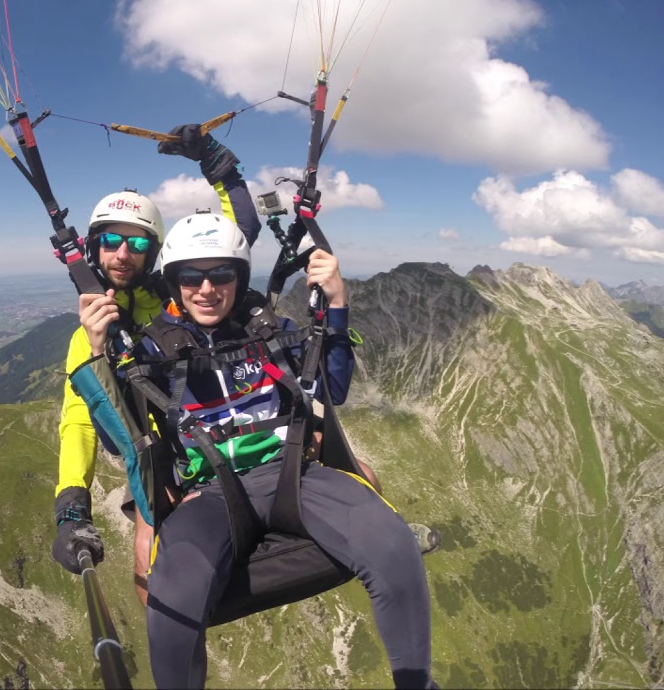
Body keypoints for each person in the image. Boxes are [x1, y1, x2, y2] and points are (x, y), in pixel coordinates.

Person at [87, 212, 437, 689]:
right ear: (173, 281)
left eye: (221, 274)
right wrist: (98, 355)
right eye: (191, 276)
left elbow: (332, 388)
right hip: (208, 493)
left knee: (395, 548)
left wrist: (337, 305)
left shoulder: (268, 331)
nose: (206, 288)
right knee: (171, 607)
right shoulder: (149, 349)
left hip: (292, 472)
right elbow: (118, 441)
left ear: (239, 277)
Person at [50, 126, 262, 581]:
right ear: (93, 247)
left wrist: (214, 160)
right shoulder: (90, 335)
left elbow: (239, 234)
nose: (123, 254)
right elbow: (81, 419)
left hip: (224, 430)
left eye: (140, 243)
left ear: (155, 254)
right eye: (110, 242)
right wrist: (72, 504)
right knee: (149, 573)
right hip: (163, 461)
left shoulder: (177, 296)